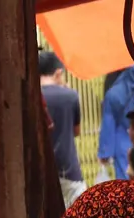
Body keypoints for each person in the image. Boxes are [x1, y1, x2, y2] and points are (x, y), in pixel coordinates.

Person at [39, 51, 86, 207]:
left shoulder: (33, 96)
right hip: (69, 171)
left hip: (41, 171)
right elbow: (76, 131)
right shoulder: (70, 96)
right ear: (58, 73)